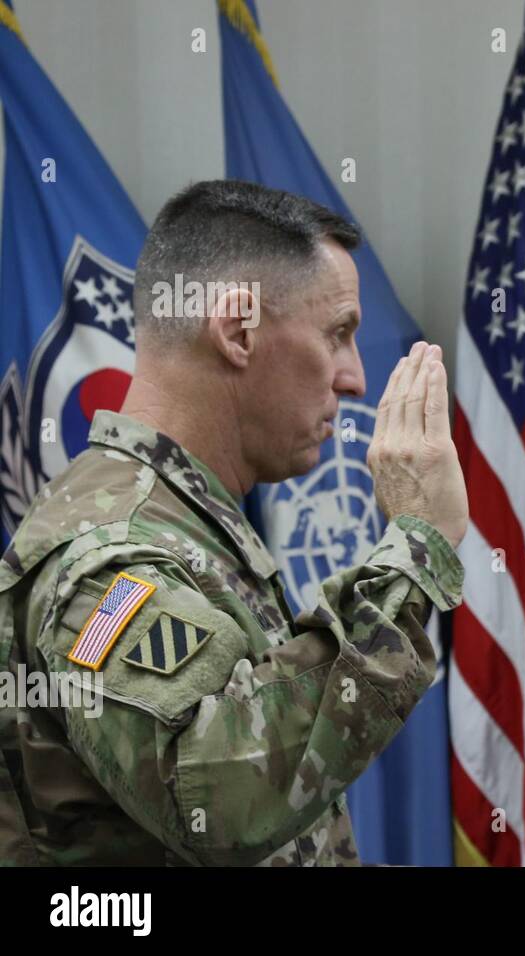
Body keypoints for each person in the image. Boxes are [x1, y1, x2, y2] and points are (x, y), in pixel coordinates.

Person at [0, 180, 468, 866]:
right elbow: (213, 795)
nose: (355, 378)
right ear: (238, 330)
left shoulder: (191, 519)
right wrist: (414, 557)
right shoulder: (110, 551)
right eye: (337, 334)